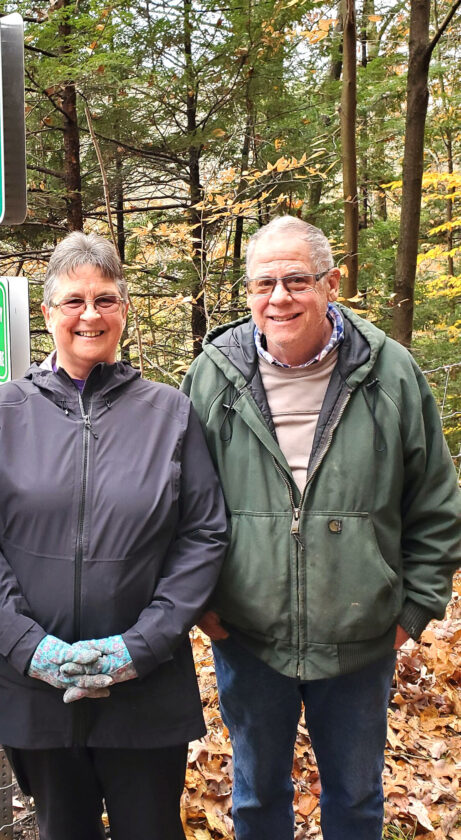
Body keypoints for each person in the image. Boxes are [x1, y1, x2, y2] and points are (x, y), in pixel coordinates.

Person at [181, 215, 461, 840]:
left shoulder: (389, 373)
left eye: (297, 280)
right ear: (248, 293)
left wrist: (412, 609)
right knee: (255, 800)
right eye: (264, 283)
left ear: (331, 284)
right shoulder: (213, 377)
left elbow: (436, 502)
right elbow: (180, 504)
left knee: (357, 799)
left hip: (361, 637)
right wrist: (200, 604)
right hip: (248, 636)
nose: (279, 297)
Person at [0, 231, 228, 840]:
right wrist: (29, 647)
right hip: (34, 690)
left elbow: (203, 536)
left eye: (106, 299)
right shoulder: (4, 410)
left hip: (144, 689)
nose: (90, 314)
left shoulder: (169, 412)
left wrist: (138, 648)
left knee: (150, 829)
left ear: (124, 310)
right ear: (47, 314)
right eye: (73, 300)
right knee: (61, 829)